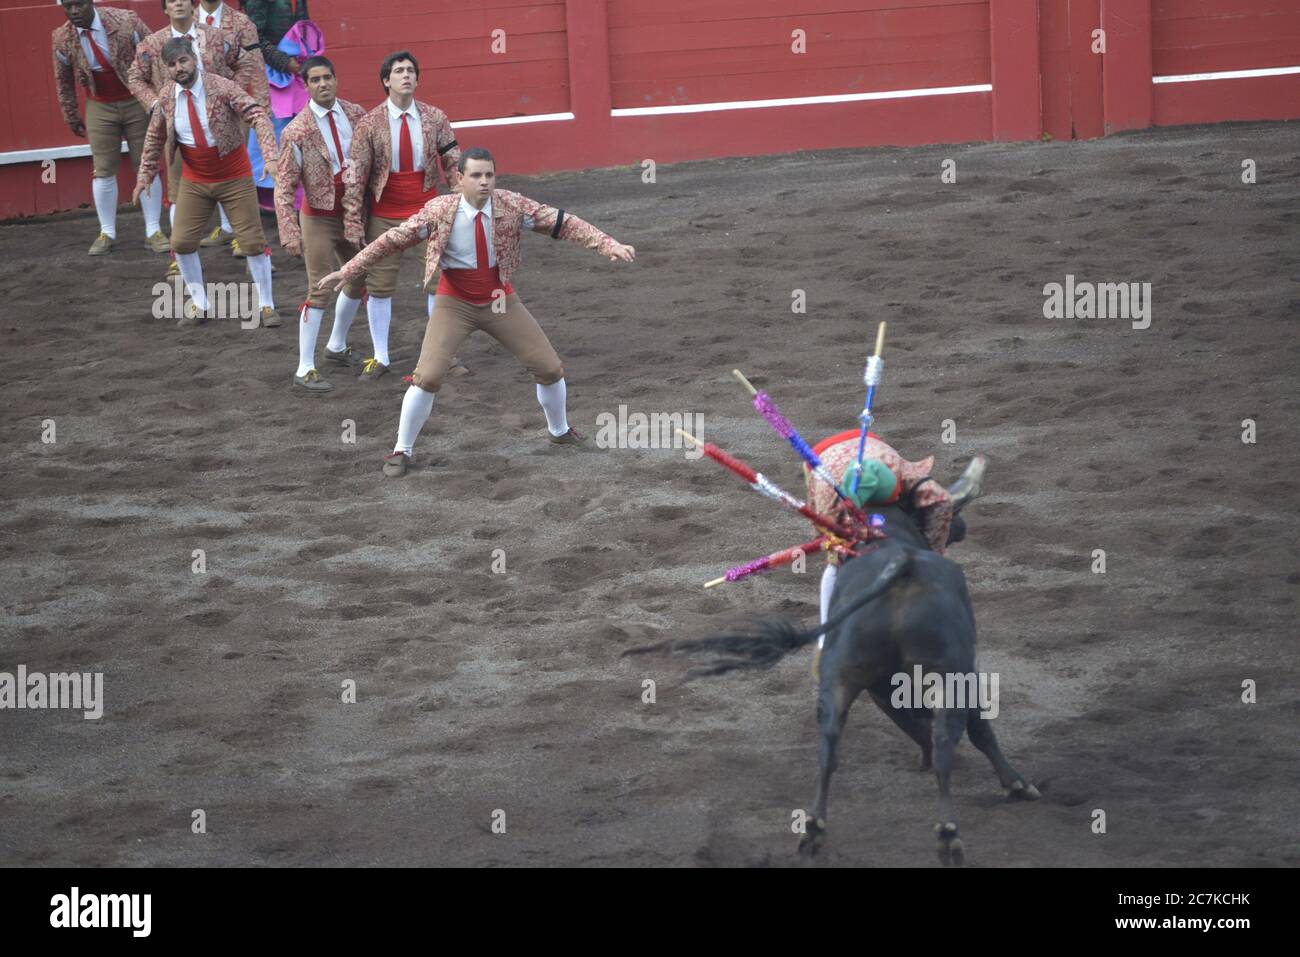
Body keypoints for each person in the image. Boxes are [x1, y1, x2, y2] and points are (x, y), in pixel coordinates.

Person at [318, 147, 636, 477]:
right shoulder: (439, 210)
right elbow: (393, 240)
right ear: (460, 179)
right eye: (476, 175)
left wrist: (607, 244)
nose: (484, 182)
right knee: (427, 377)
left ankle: (560, 432)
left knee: (549, 367)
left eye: (489, 175)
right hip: (453, 302)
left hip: (500, 299)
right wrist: (351, 269)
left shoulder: (512, 205)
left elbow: (563, 223)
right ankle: (402, 449)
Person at [132, 38, 281, 329]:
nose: (179, 68)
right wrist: (144, 175)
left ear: (194, 59)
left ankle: (266, 305)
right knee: (181, 242)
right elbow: (154, 137)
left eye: (183, 61)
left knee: (251, 241)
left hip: (234, 176)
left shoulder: (222, 87)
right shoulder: (166, 97)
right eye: (172, 65)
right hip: (195, 178)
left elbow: (258, 116)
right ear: (167, 69)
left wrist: (271, 157)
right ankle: (200, 304)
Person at [340, 50, 461, 382]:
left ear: (417, 79)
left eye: (411, 71)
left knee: (439, 283)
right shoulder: (368, 124)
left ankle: (442, 354)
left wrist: (460, 203)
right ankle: (381, 356)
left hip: (427, 212)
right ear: (385, 80)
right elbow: (355, 176)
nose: (406, 75)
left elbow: (453, 164)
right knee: (379, 286)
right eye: (398, 71)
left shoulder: (436, 117)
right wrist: (352, 219)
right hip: (384, 214)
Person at [805, 432, 985, 627]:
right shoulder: (897, 470)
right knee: (833, 556)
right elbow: (941, 501)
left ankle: (825, 636)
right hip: (829, 459)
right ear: (896, 490)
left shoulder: (828, 487)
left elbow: (821, 531)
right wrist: (934, 553)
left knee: (833, 562)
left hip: (838, 459)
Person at [127, 0, 253, 264]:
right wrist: (155, 105)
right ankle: (178, 256)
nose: (179, 3)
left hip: (221, 124)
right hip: (179, 126)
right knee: (177, 190)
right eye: (172, 0)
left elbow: (244, 63)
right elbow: (135, 77)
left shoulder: (216, 37)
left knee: (233, 181)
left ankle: (244, 239)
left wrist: (233, 96)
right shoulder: (152, 43)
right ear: (165, 8)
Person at [273, 55, 366, 392]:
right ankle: (304, 367)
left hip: (353, 212)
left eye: (328, 77)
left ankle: (337, 346)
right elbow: (283, 188)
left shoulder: (357, 115)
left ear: (336, 79)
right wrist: (289, 232)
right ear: (306, 85)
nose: (323, 84)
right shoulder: (296, 131)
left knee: (358, 278)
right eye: (315, 79)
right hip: (318, 218)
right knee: (320, 288)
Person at [52, 0, 167, 256]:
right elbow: (63, 81)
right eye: (68, 6)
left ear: (91, 2)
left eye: (79, 5)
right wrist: (70, 114)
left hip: (137, 100)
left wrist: (159, 98)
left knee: (146, 163)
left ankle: (153, 230)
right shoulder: (62, 37)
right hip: (99, 105)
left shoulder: (126, 21)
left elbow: (156, 54)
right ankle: (107, 232)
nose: (73, 12)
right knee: (103, 169)